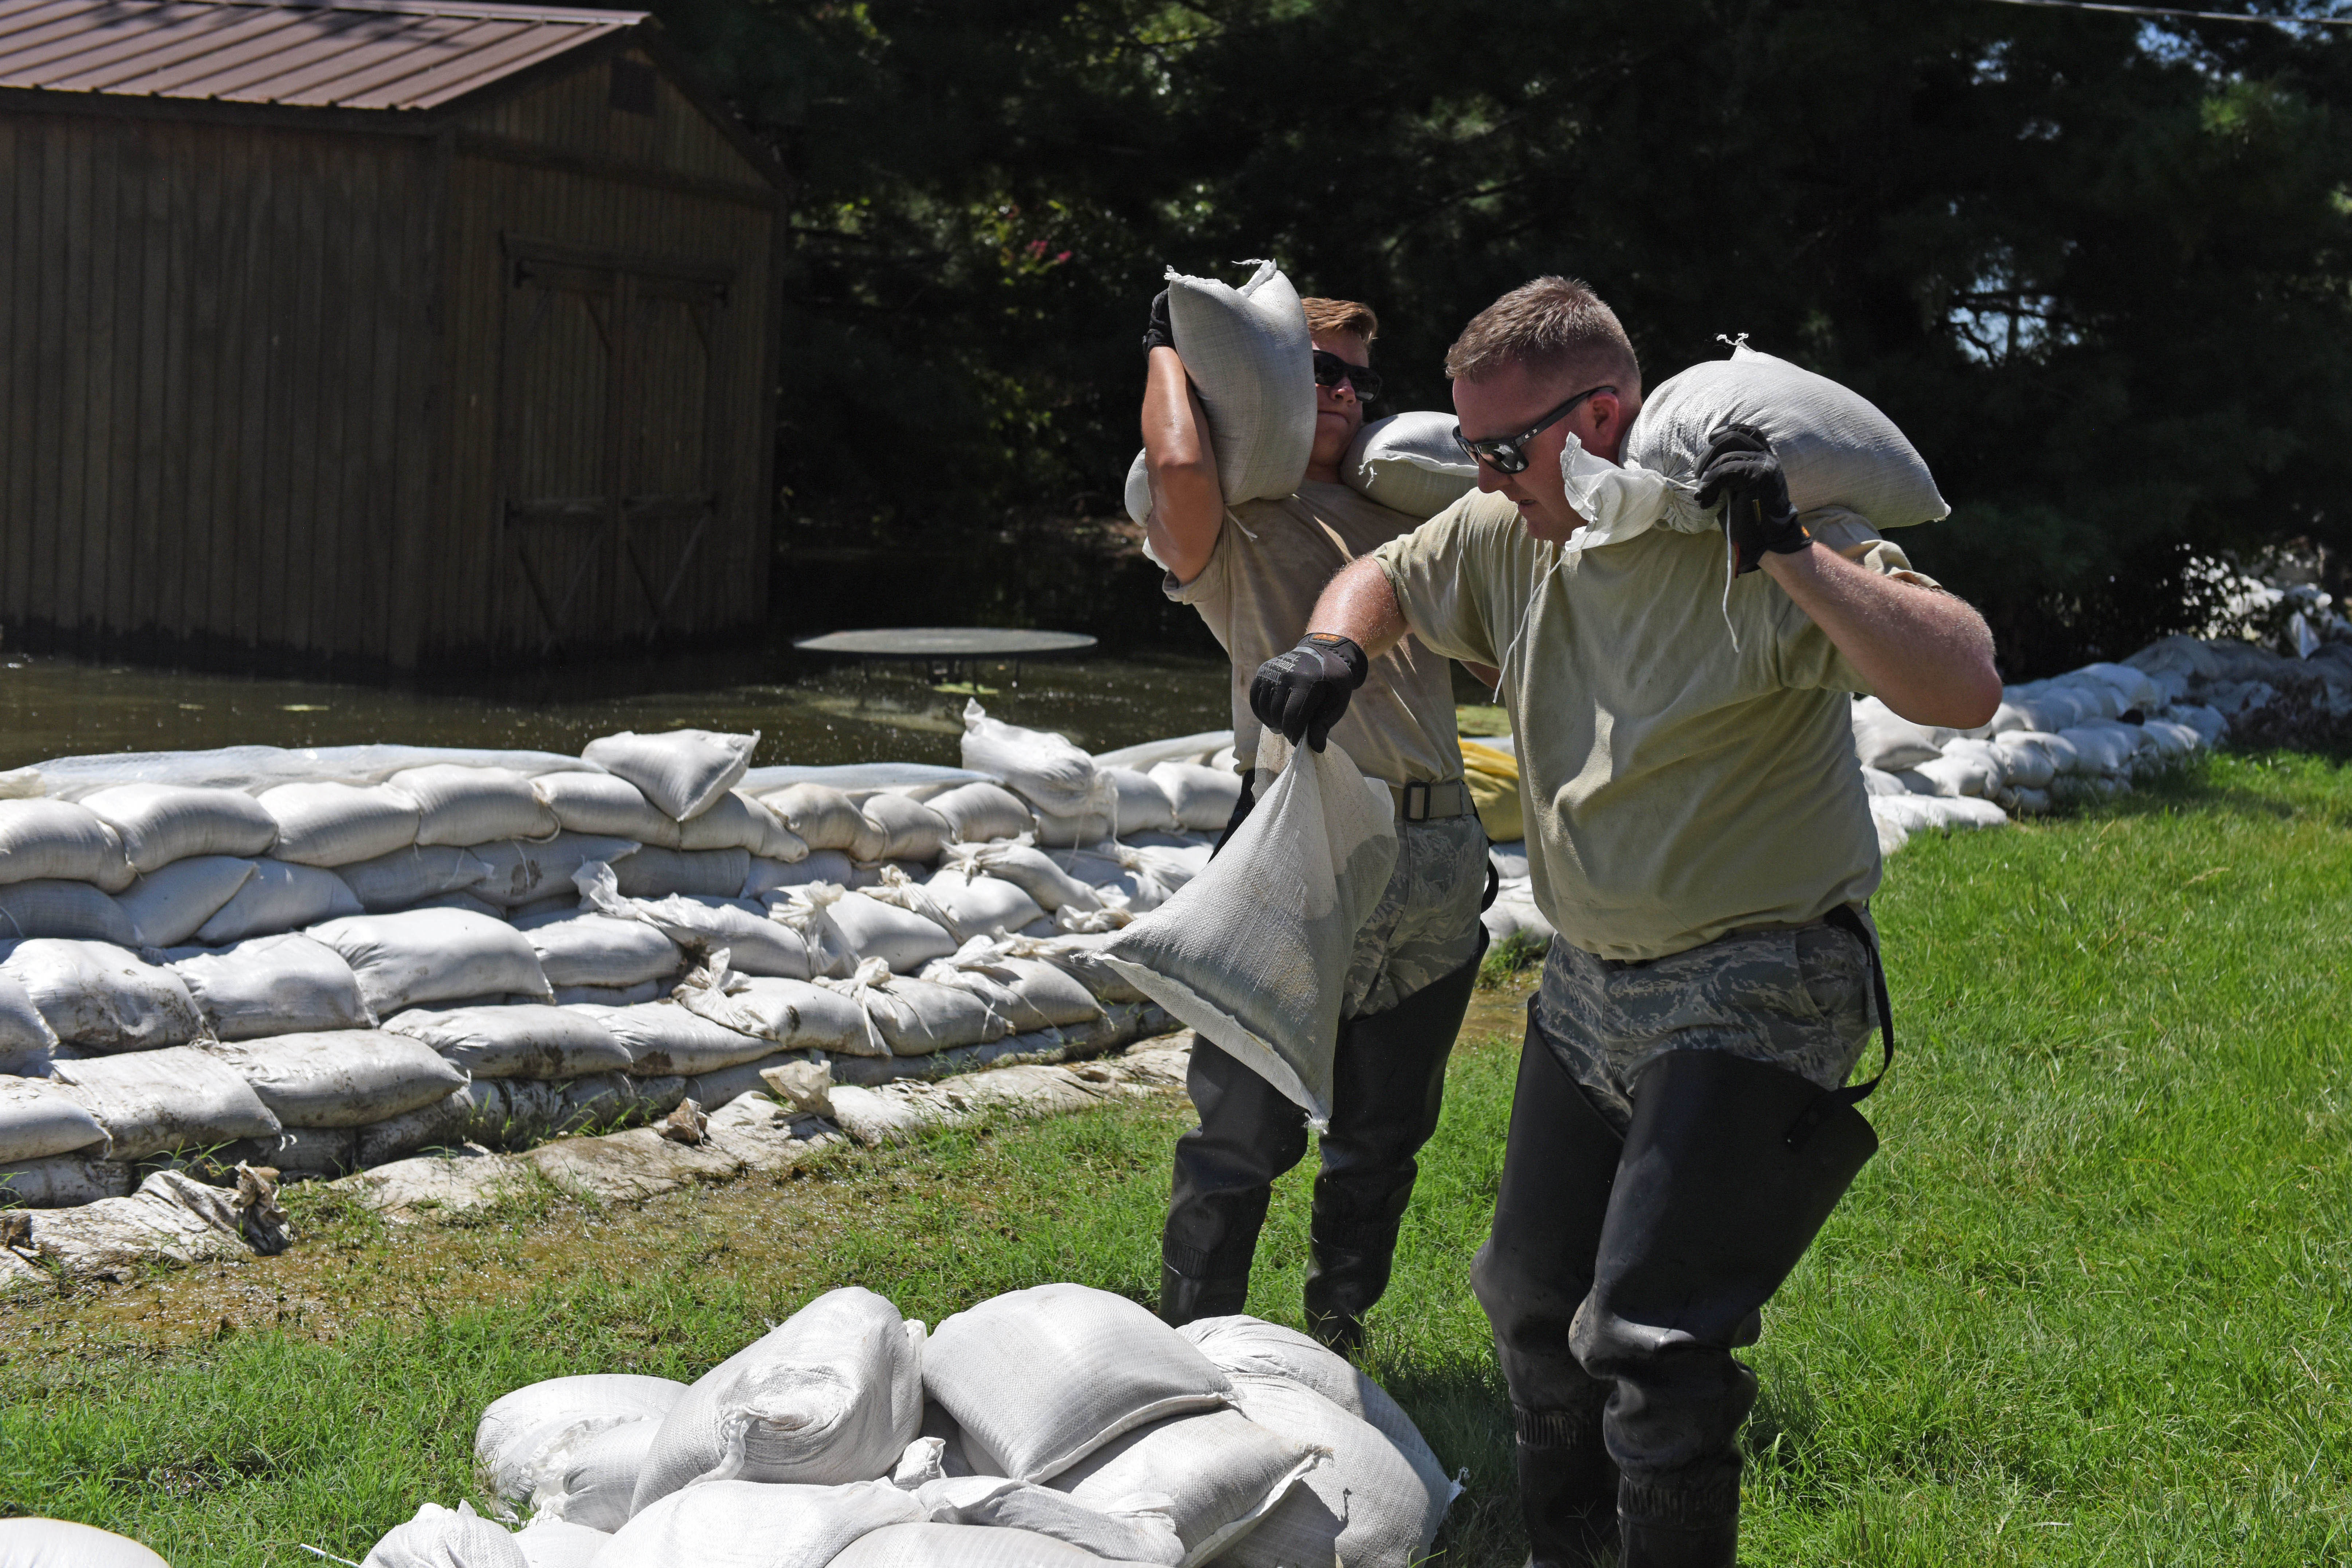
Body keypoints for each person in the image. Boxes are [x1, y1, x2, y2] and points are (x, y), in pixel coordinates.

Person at [1249, 276, 2001, 1567]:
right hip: (1591, 984)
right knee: (1533, 1303)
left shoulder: (1753, 542)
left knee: (1652, 1334)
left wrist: (1792, 553)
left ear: (1599, 415)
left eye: (1503, 447)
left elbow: (1965, 681)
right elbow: (1381, 573)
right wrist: (1334, 647)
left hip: (1760, 979)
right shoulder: (1510, 532)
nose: (1483, 473)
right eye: (1470, 445)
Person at [1138, 290, 1491, 1352]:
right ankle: (1195, 1347)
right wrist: (1165, 355)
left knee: (1384, 1132)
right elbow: (1179, 473)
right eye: (1314, 373)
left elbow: (1495, 658)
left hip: (1434, 851)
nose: (1337, 396)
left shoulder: (1426, 521)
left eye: (1353, 380)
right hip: (1298, 840)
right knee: (1241, 1126)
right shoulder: (1239, 524)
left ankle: (1336, 1335)